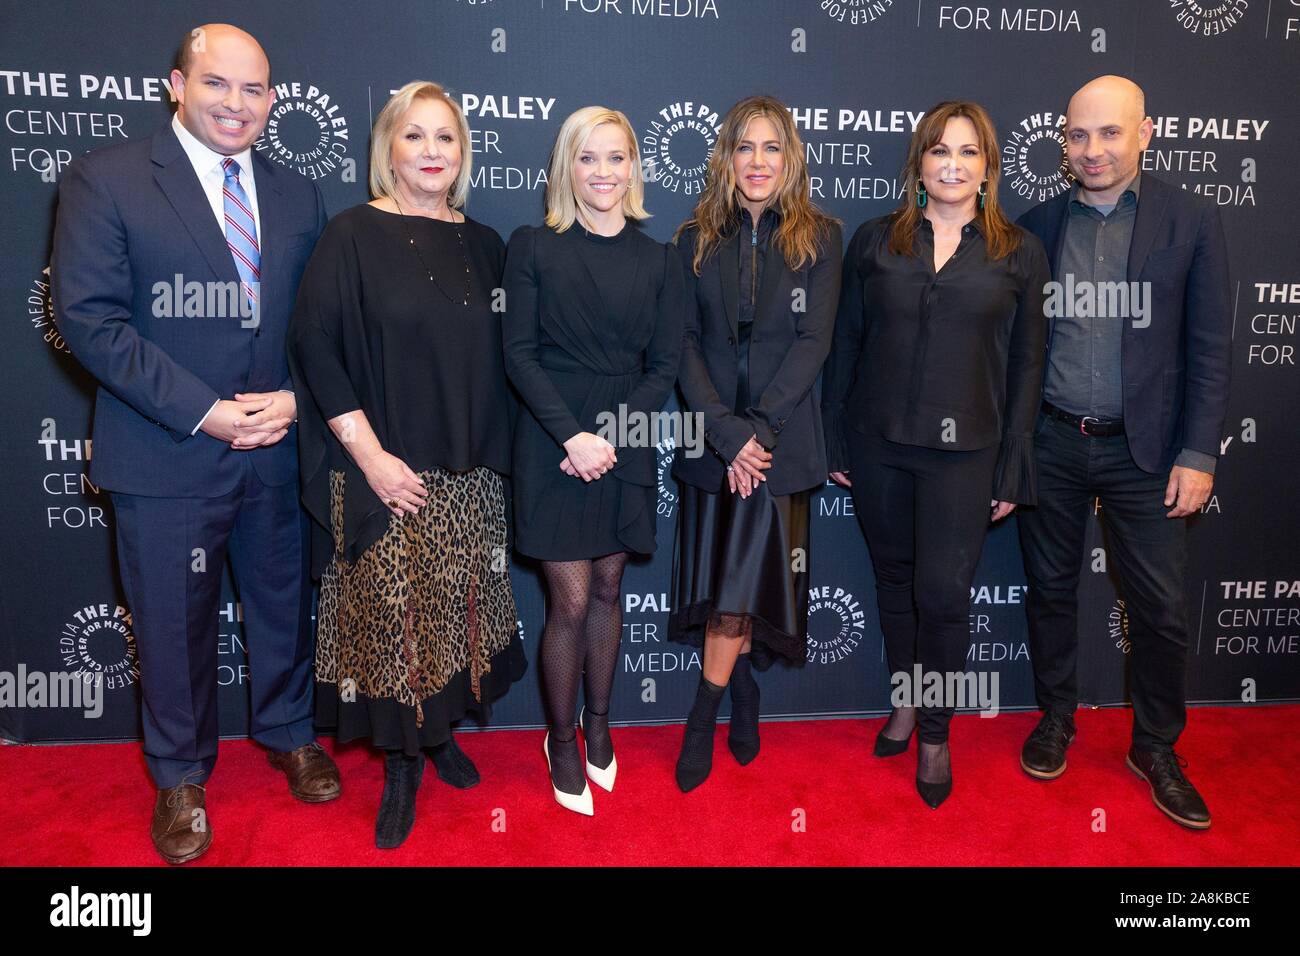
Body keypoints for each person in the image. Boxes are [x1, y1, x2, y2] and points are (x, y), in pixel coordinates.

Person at [51, 24, 338, 865]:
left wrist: (294, 398)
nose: (235, 104)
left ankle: (288, 731)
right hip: (166, 448)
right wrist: (206, 410)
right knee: (174, 624)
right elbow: (90, 321)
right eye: (217, 85)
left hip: (279, 445)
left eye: (253, 90)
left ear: (272, 101)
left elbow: (315, 324)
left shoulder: (297, 195)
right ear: (177, 84)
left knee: (283, 601)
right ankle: (180, 775)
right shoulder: (105, 180)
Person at [288, 81, 525, 848]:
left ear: (463, 154)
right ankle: (400, 761)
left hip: (469, 472)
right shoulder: (352, 234)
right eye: (415, 136)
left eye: (445, 139)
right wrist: (370, 456)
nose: (431, 152)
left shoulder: (486, 243)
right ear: (387, 149)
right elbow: (313, 344)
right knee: (395, 625)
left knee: (456, 617)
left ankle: (438, 734)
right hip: (382, 468)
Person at [1015, 76, 1231, 830]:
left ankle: (1157, 747)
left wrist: (1199, 453)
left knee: (1163, 612)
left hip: (1148, 453)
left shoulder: (1192, 218)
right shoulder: (1037, 223)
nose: (1093, 149)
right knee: (1048, 591)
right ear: (1063, 141)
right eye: (1078, 136)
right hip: (1051, 440)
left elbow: (1208, 347)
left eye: (1110, 133)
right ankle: (1056, 719)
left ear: (1145, 133)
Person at [823, 101, 1049, 809]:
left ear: (988, 167)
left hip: (967, 454)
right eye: (939, 150)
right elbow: (846, 347)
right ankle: (903, 702)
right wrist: (835, 437)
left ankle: (936, 733)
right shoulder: (874, 241)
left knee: (943, 597)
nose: (953, 163)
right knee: (893, 582)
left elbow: (1029, 368)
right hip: (878, 444)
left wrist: (1015, 462)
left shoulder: (1018, 250)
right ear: (918, 164)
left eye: (969, 151)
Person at [502, 106, 684, 816]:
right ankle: (559, 738)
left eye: (616, 157)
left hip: (625, 439)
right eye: (588, 158)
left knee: (608, 592)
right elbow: (518, 354)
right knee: (570, 601)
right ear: (566, 168)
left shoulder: (660, 259)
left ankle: (599, 722)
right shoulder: (533, 247)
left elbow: (664, 363)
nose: (603, 172)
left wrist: (609, 433)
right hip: (552, 443)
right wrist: (573, 437)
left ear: (634, 167)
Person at [668, 95, 842, 792]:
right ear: (726, 158)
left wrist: (759, 434)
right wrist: (727, 433)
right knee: (723, 585)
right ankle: (741, 692)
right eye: (746, 147)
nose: (759, 161)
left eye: (772, 147)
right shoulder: (692, 240)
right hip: (714, 443)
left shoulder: (821, 237)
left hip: (781, 445)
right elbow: (680, 345)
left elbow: (814, 343)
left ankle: (701, 713)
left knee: (743, 585)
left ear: (790, 157)